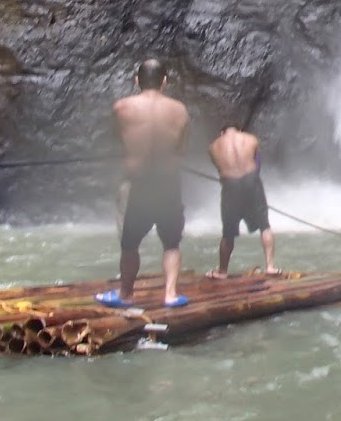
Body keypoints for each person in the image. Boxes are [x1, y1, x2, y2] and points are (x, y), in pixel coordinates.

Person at [98, 58, 191, 309]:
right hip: (168, 184)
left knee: (130, 244)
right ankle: (170, 294)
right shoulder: (180, 110)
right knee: (171, 243)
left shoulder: (122, 108)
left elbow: (117, 139)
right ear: (164, 81)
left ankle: (126, 294)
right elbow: (181, 149)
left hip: (140, 184)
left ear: (137, 80)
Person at [207, 118, 279, 279]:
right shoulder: (251, 139)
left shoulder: (213, 147)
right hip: (252, 182)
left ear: (222, 133)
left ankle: (222, 272)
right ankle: (270, 266)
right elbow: (257, 164)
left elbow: (220, 168)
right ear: (239, 130)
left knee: (228, 233)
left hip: (230, 185)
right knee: (264, 226)